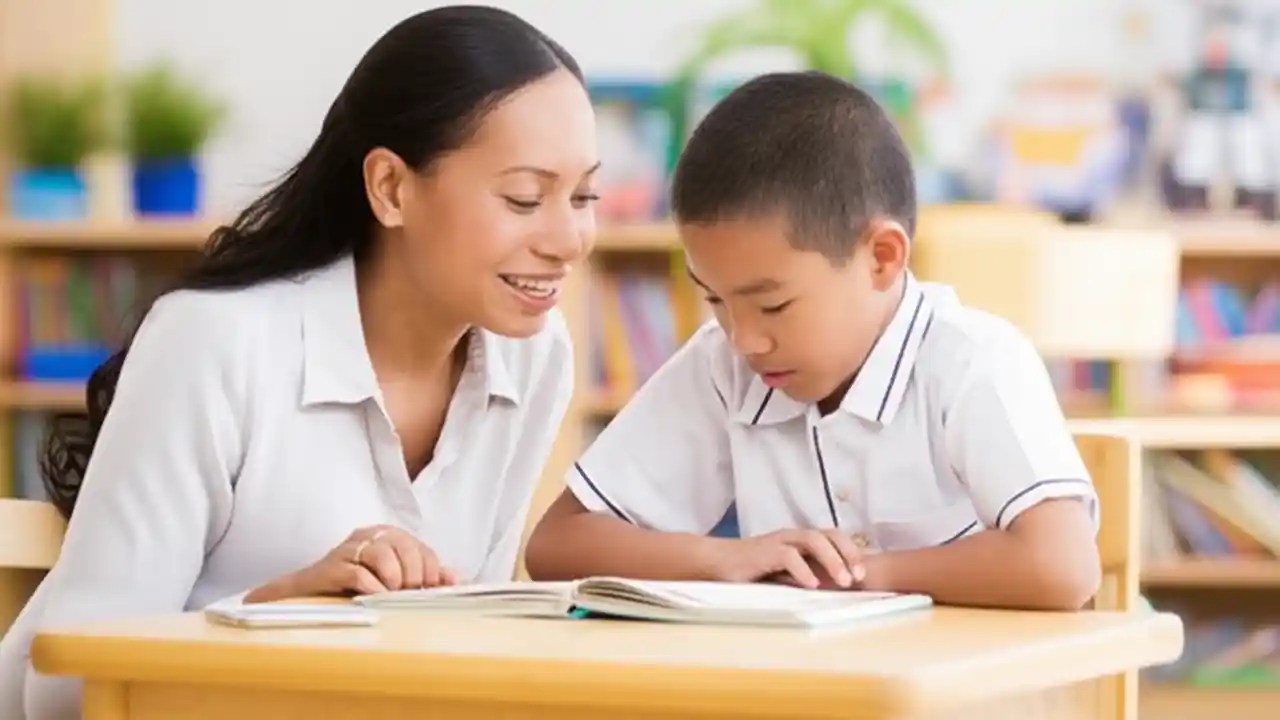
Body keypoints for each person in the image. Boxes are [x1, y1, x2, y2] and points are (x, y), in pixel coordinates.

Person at [0, 6, 598, 718]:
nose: (570, 238)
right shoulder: (217, 343)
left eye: (584, 195)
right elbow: (64, 690)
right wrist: (280, 610)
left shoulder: (534, 355)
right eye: (525, 198)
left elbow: (460, 655)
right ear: (390, 188)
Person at [526, 71, 1101, 611]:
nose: (746, 339)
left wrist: (865, 577)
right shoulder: (723, 366)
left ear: (881, 258)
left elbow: (1062, 565)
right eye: (716, 301)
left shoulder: (972, 360)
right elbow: (557, 546)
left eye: (774, 304)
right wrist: (724, 559)